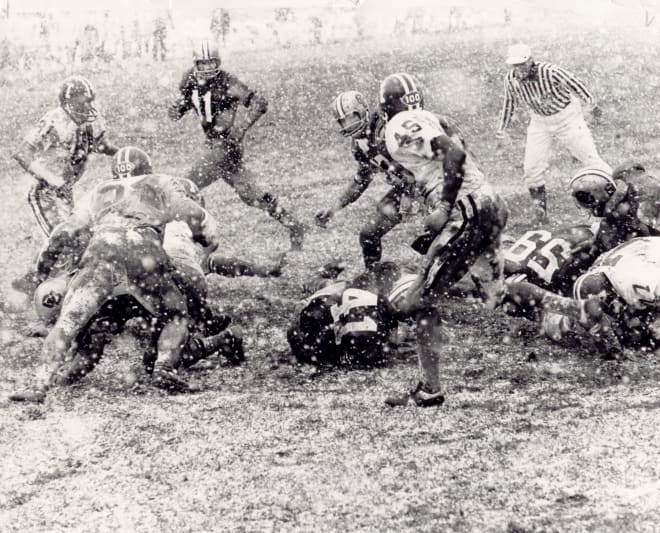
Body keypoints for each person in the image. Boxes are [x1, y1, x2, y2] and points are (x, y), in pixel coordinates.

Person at [8, 168, 223, 403]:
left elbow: (64, 232)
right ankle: (165, 367)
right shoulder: (162, 181)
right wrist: (204, 234)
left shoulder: (100, 190)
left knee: (68, 323)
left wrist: (39, 274)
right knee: (176, 315)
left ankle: (39, 383)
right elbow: (189, 211)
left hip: (101, 250)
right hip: (142, 249)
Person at [379, 73, 509, 408]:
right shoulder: (435, 118)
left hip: (467, 210)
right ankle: (575, 312)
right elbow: (459, 154)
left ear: (387, 106)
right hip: (489, 203)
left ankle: (429, 389)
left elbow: (453, 155)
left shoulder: (399, 125)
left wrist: (444, 206)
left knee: (418, 301)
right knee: (495, 296)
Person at [168, 39, 305, 251]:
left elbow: (260, 102)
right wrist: (179, 108)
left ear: (218, 62)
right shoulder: (189, 80)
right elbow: (188, 101)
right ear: (195, 64)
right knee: (251, 195)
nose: (207, 68)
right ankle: (293, 224)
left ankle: (199, 240)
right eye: (202, 64)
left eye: (211, 63)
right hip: (214, 146)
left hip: (225, 147)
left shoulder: (228, 82)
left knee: (186, 189)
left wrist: (240, 127)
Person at [495, 42, 610, 224]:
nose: (520, 69)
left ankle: (616, 195)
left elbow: (575, 84)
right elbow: (509, 104)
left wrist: (592, 104)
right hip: (540, 121)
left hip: (567, 117)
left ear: (531, 61)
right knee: (531, 168)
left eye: (522, 64)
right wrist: (501, 129)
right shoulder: (511, 79)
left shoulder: (550, 71)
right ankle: (540, 214)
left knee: (590, 159)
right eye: (515, 65)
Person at [315, 89, 417, 269]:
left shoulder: (387, 128)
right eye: (342, 121)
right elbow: (361, 180)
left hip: (430, 183)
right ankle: (373, 277)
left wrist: (410, 195)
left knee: (443, 229)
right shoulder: (360, 145)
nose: (347, 125)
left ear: (362, 111)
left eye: (351, 117)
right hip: (408, 188)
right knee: (369, 234)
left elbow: (421, 162)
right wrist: (334, 208)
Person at [12, 75, 118, 236]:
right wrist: (52, 179)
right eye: (83, 102)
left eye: (90, 101)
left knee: (78, 239)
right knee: (64, 239)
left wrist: (125, 153)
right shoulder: (55, 122)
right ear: (69, 104)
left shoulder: (90, 121)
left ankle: (46, 260)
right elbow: (22, 153)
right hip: (45, 191)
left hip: (65, 191)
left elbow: (101, 145)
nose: (89, 106)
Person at [288, 261, 402, 369]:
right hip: (369, 358)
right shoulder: (382, 301)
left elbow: (303, 315)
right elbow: (392, 342)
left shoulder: (335, 289)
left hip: (321, 349)